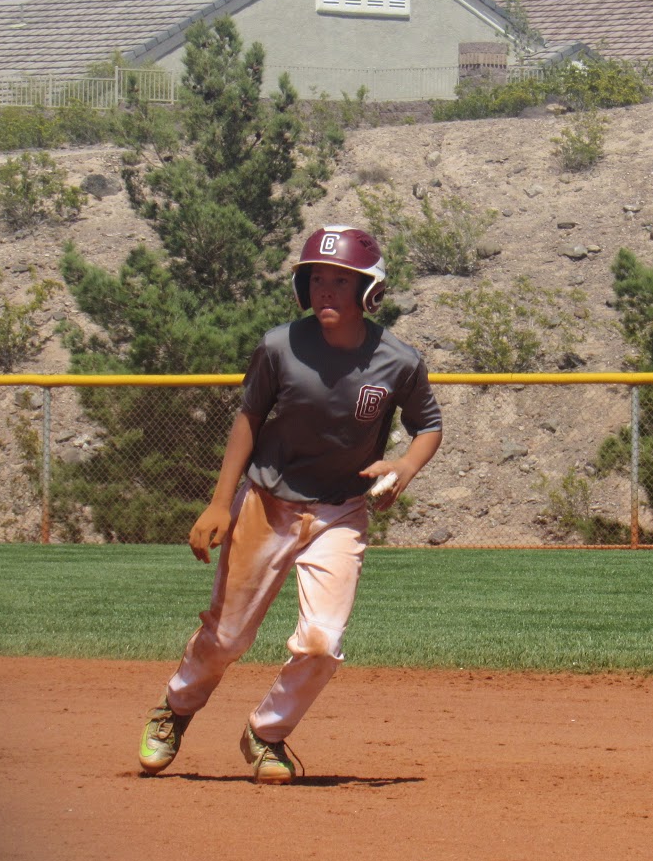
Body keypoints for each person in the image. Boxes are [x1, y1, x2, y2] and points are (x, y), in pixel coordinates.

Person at [139, 225, 443, 784]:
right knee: (227, 638)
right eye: (316, 279)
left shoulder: (399, 360)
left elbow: (428, 426)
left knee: (323, 644)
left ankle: (266, 733)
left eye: (340, 281)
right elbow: (249, 418)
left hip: (341, 511)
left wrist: (403, 467)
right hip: (267, 501)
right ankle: (175, 710)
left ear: (368, 291)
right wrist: (218, 504)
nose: (326, 290)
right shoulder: (280, 345)